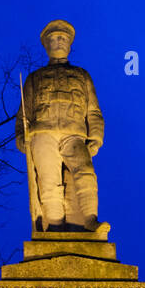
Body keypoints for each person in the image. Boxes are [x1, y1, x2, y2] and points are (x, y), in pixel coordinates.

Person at [16, 20, 104, 230]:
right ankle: (54, 226)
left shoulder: (82, 75)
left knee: (86, 172)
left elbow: (93, 111)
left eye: (63, 38)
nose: (59, 42)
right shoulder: (34, 78)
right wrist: (21, 138)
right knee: (48, 181)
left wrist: (96, 138)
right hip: (42, 133)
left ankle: (91, 219)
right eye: (54, 39)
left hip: (74, 133)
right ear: (46, 45)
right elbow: (23, 114)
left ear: (70, 44)